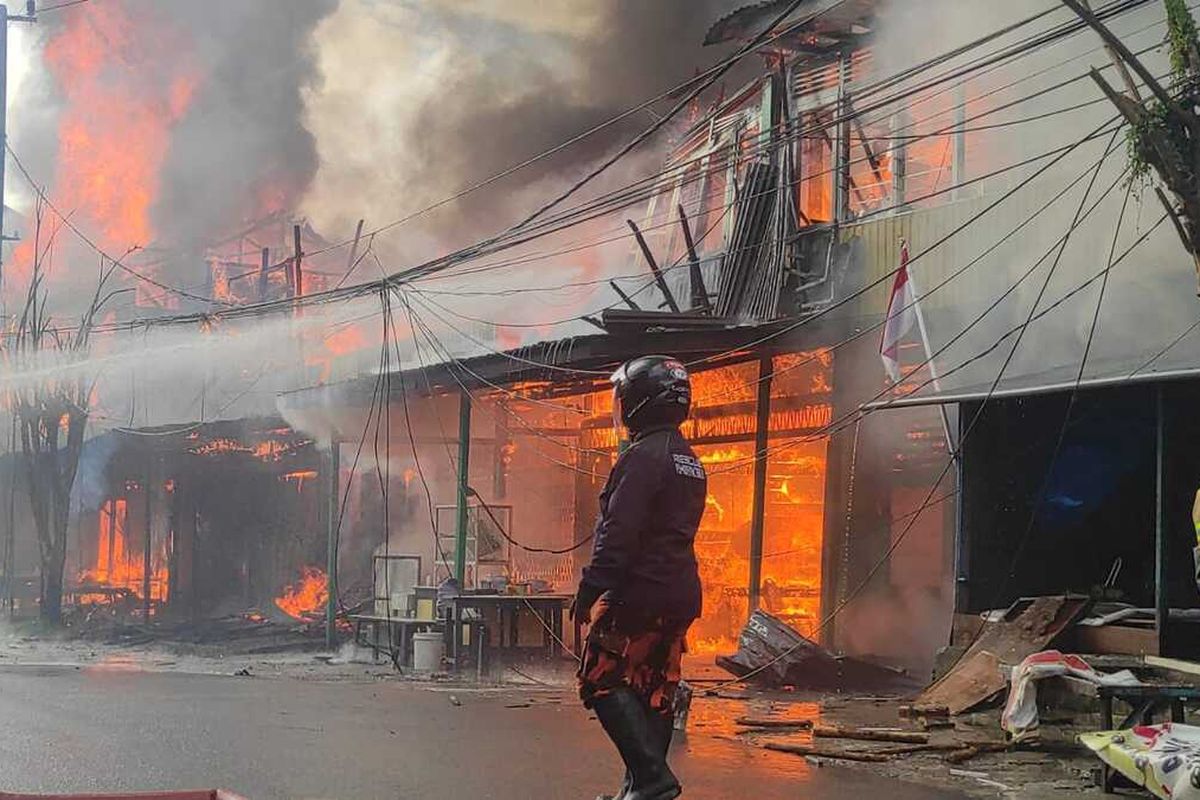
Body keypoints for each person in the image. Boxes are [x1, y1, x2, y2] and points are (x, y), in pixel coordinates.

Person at [572, 355, 707, 800]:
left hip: (640, 594)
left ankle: (651, 780)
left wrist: (591, 587)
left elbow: (620, 533)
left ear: (638, 402)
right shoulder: (688, 459)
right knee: (653, 687)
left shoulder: (642, 457)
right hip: (679, 592)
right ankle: (640, 790)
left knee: (600, 676)